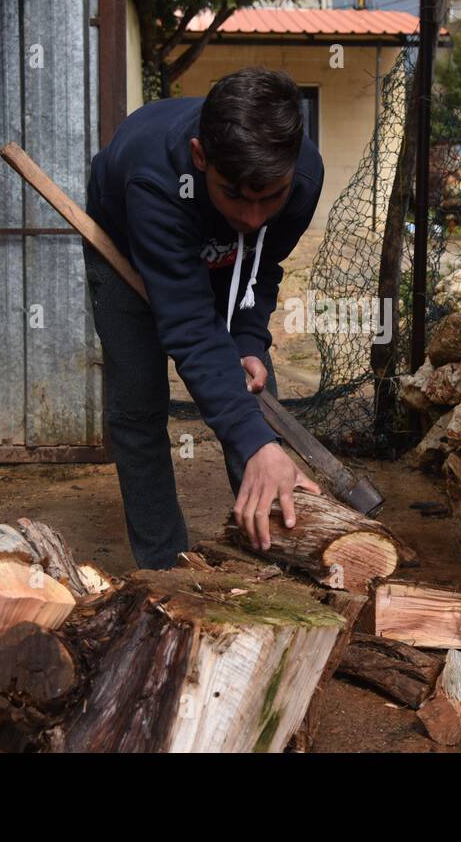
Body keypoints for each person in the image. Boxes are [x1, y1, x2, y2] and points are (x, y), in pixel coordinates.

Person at [84, 68, 323, 569]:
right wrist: (256, 440)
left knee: (251, 386)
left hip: (220, 249)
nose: (255, 216)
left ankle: (276, 560)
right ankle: (166, 568)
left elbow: (263, 265)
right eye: (236, 194)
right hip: (126, 240)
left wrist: (250, 340)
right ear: (200, 158)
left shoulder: (301, 178)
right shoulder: (155, 180)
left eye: (269, 198)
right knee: (138, 406)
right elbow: (189, 327)